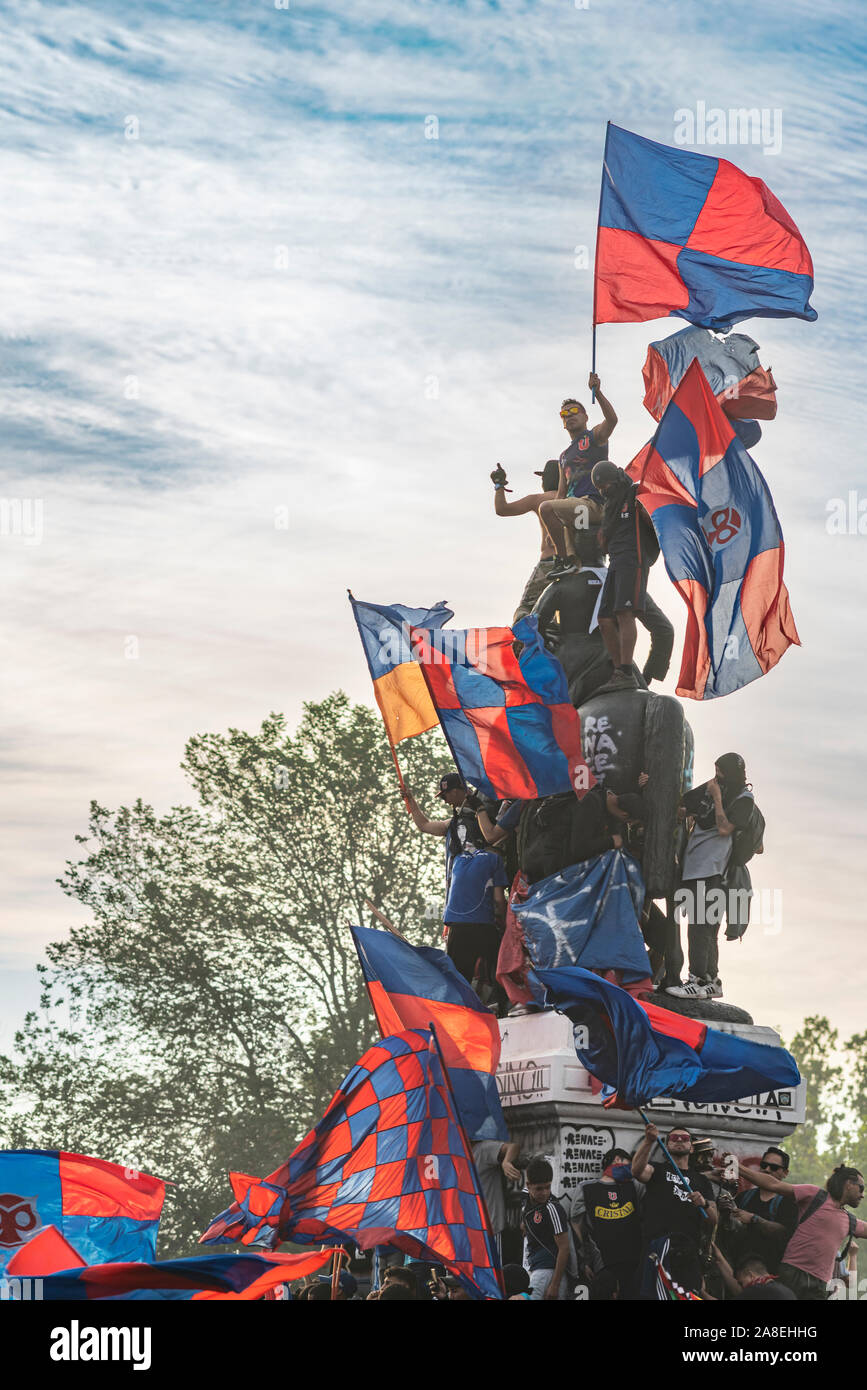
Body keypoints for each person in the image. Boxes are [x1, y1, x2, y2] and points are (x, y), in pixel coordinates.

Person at [667, 752, 758, 999]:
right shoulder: (711, 787)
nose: (716, 776)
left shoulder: (743, 798)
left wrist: (717, 799)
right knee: (705, 927)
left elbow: (724, 827)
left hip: (714, 869)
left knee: (701, 927)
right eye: (715, 770)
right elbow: (683, 805)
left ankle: (696, 979)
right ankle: (711, 980)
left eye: (721, 771)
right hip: (694, 865)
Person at [737, 1160, 867, 1300]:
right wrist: (738, 1167)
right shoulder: (815, 1196)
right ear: (849, 1184)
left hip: (820, 1283)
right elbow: (773, 1184)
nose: (862, 1195)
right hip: (793, 1272)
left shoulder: (850, 1220)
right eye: (861, 1188)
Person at [588, 460, 661, 693]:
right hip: (616, 562)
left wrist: (647, 514)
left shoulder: (634, 493)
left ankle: (625, 671)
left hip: (633, 560)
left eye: (604, 485)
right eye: (599, 488)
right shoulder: (610, 505)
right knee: (604, 619)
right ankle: (619, 670)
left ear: (614, 479)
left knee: (624, 614)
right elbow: (606, 536)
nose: (602, 490)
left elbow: (654, 519)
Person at [538, 373, 618, 577]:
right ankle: (571, 563)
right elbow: (561, 494)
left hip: (594, 504)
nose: (569, 415)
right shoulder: (563, 456)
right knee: (554, 513)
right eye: (564, 414)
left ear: (585, 416)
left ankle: (562, 560)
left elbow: (612, 420)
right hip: (576, 511)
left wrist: (597, 392)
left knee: (545, 507)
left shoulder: (593, 438)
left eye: (574, 411)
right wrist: (549, 529)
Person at [632, 1123, 717, 1298]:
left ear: (691, 1148)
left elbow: (713, 1219)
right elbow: (637, 1171)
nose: (679, 1140)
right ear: (667, 1144)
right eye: (674, 1138)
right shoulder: (657, 1169)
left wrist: (704, 1204)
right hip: (656, 1249)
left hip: (687, 1253)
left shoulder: (701, 1181)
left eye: (685, 1138)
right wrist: (648, 1141)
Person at [490, 459, 561, 623]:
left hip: (548, 564)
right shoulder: (575, 500)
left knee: (525, 609)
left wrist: (499, 485)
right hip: (573, 564)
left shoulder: (537, 500)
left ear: (547, 479)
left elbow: (502, 509)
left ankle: (523, 643)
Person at [571, 1146, 644, 1300]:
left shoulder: (633, 1186)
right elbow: (576, 1227)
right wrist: (582, 1262)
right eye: (629, 1164)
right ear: (617, 1160)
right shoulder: (587, 1188)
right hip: (603, 1264)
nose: (632, 1171)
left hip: (634, 1262)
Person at [726, 1148, 797, 1274]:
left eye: (774, 1167)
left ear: (785, 1173)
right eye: (764, 1165)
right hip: (738, 1268)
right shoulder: (744, 1197)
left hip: (770, 1272)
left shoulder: (789, 1202)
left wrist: (754, 1219)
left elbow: (785, 1233)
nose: (767, 1170)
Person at [520, 1157, 574, 1300]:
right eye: (539, 1189)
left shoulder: (552, 1208)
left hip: (548, 1270)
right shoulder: (525, 1196)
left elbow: (564, 1248)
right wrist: (524, 1222)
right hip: (535, 1267)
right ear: (529, 1185)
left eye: (548, 1187)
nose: (544, 1193)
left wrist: (555, 1285)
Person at [472, 1138, 522, 1260]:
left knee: (494, 1274)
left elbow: (513, 1146)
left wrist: (506, 1162)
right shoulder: (457, 1156)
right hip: (471, 1231)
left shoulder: (482, 1149)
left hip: (491, 1230)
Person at [712, 1247, 797, 1301]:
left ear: (751, 1275)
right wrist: (720, 1260)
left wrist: (701, 1291)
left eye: (741, 1283)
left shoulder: (757, 1290)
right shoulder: (785, 1291)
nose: (742, 1287)